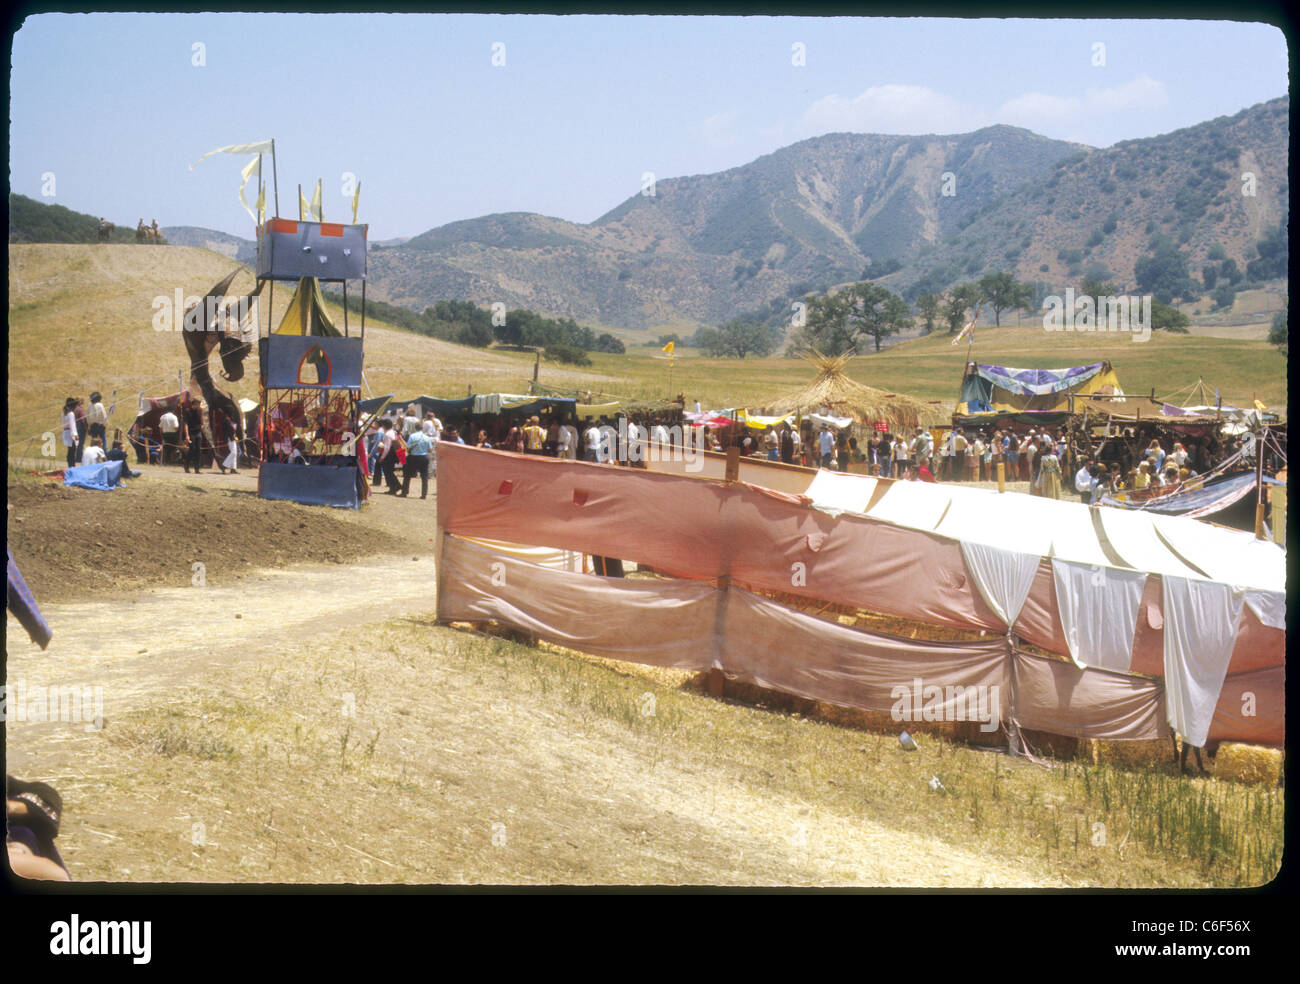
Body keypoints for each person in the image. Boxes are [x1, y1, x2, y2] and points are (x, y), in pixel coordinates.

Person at [400, 427, 433, 498]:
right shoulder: (427, 437)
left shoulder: (412, 436)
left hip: (413, 457)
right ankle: (424, 494)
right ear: (422, 428)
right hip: (424, 457)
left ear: (415, 428)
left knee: (407, 475)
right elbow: (430, 450)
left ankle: (404, 492)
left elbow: (407, 447)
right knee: (424, 477)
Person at [182, 398, 204, 474]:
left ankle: (197, 469)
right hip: (191, 432)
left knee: (198, 450)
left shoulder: (200, 410)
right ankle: (186, 465)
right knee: (192, 449)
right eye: (198, 404)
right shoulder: (187, 411)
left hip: (198, 432)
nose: (199, 405)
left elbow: (202, 421)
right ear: (194, 404)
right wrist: (187, 435)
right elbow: (186, 424)